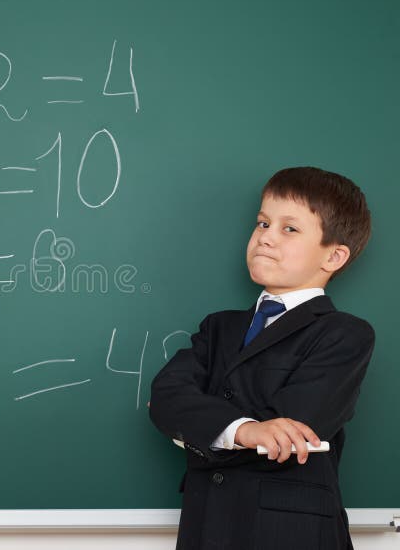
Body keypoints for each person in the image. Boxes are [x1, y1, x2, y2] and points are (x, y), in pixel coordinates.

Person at [149, 166, 375, 550]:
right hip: (207, 528)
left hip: (290, 535)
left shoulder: (344, 334)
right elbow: (166, 397)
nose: (265, 238)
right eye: (262, 223)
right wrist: (244, 430)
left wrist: (201, 429)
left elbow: (293, 432)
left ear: (334, 256)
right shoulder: (218, 328)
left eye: (289, 229)